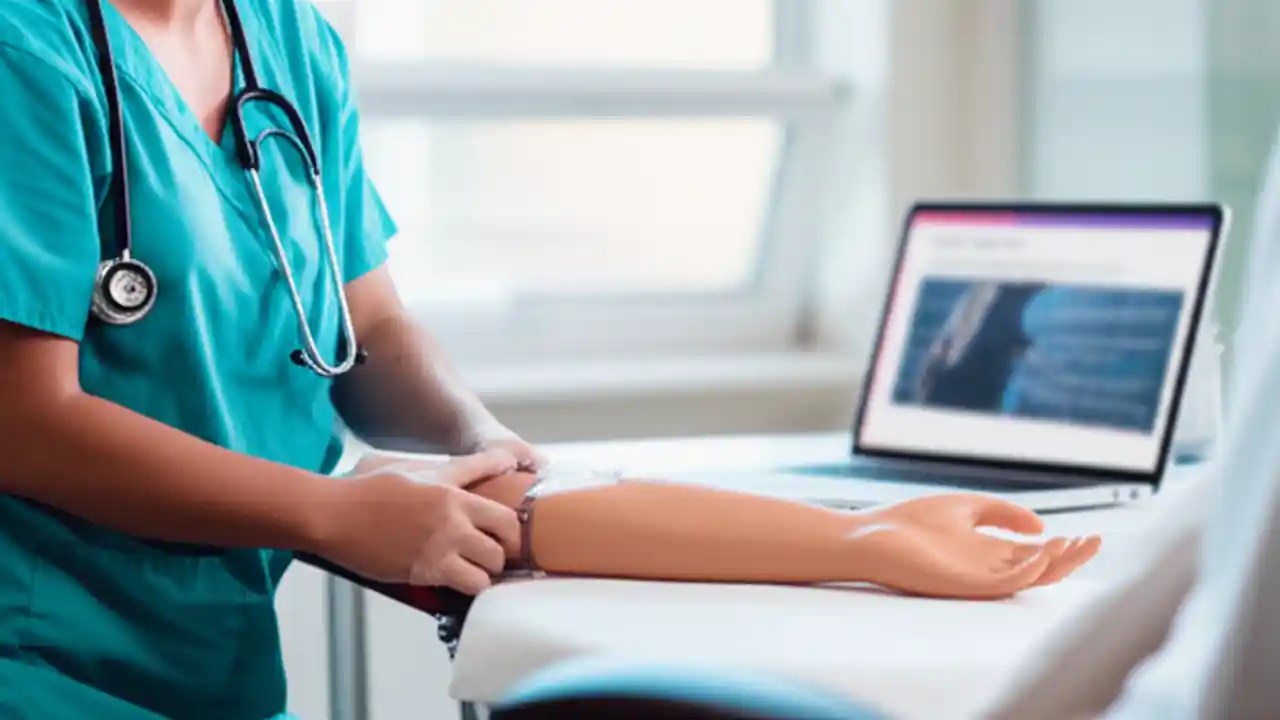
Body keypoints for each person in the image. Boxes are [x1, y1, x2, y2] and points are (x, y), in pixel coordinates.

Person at [0, 1, 1099, 717]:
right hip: (39, 654)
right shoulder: (25, 46)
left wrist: (478, 438)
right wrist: (328, 513)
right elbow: (22, 420)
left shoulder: (285, 39)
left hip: (218, 661)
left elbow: (368, 333)